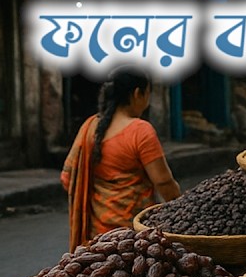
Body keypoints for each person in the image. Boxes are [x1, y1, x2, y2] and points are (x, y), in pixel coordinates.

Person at [61, 68, 181, 251]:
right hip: (134, 236)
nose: (147, 103)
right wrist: (181, 209)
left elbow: (68, 178)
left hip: (97, 237)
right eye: (147, 94)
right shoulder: (140, 131)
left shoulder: (90, 127)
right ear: (136, 94)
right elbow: (164, 182)